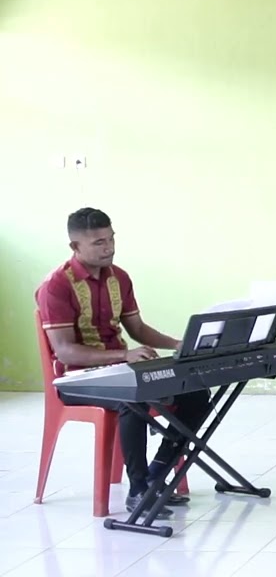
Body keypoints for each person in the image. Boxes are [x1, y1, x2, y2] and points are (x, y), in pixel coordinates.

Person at [36, 208, 212, 519]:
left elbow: (138, 330)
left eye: (112, 239)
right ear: (75, 246)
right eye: (99, 242)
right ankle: (138, 490)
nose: (109, 248)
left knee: (196, 392)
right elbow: (65, 353)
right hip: (76, 380)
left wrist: (177, 344)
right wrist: (123, 356)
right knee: (132, 398)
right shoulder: (56, 286)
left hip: (120, 371)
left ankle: (158, 472)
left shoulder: (120, 277)